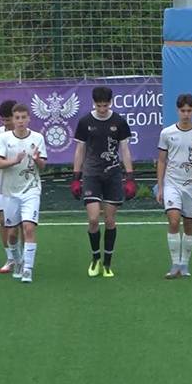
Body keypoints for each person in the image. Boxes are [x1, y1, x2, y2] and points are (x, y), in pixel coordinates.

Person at [69, 85, 137, 277]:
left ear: (110, 103)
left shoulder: (119, 122)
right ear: (93, 103)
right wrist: (76, 177)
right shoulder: (85, 122)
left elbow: (125, 150)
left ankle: (107, 263)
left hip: (113, 175)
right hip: (91, 175)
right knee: (93, 219)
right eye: (99, 105)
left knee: (109, 220)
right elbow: (80, 150)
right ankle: (95, 258)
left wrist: (129, 177)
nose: (102, 109)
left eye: (105, 105)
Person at [0, 101, 49, 283]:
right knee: (12, 234)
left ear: (29, 119)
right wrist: (14, 161)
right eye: (17, 118)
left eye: (24, 117)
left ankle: (27, 270)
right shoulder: (4, 138)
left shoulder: (38, 138)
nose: (21, 121)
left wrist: (38, 160)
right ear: (13, 119)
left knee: (29, 228)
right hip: (10, 191)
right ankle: (16, 261)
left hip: (31, 189)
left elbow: (43, 165)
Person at [156, 93, 192, 279]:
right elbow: (161, 161)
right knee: (173, 220)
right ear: (177, 110)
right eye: (183, 110)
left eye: (189, 110)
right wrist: (160, 187)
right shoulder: (167, 134)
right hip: (172, 183)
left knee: (189, 224)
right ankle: (174, 264)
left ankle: (184, 264)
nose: (186, 114)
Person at [0, 100, 22, 275]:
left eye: (8, 119)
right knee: (3, 221)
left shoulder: (27, 134)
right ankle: (10, 258)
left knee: (23, 222)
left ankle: (24, 258)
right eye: (2, 120)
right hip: (4, 183)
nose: (5, 123)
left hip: (22, 183)